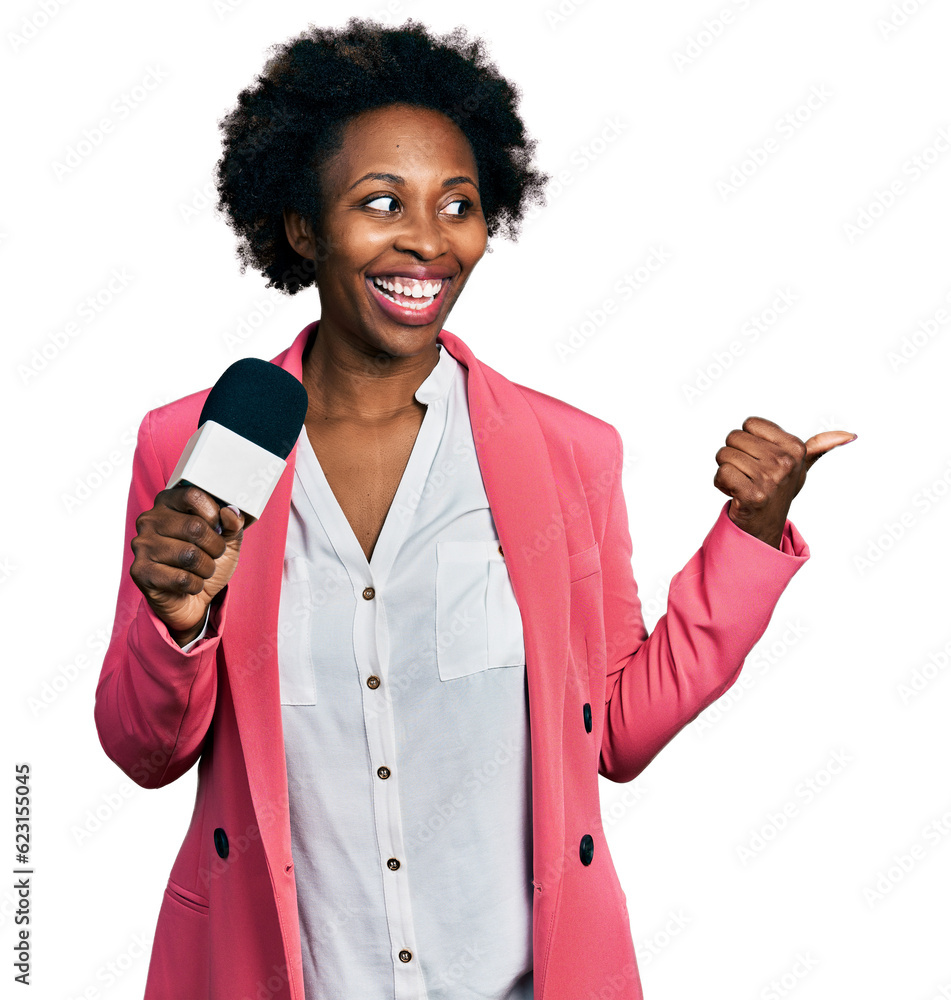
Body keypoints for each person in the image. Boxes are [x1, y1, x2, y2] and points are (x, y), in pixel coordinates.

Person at [94, 18, 855, 1000]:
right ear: (300, 224)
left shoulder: (567, 454)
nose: (428, 239)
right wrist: (177, 624)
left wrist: (749, 536)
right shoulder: (193, 447)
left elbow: (615, 730)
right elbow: (145, 750)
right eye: (381, 202)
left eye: (459, 203)